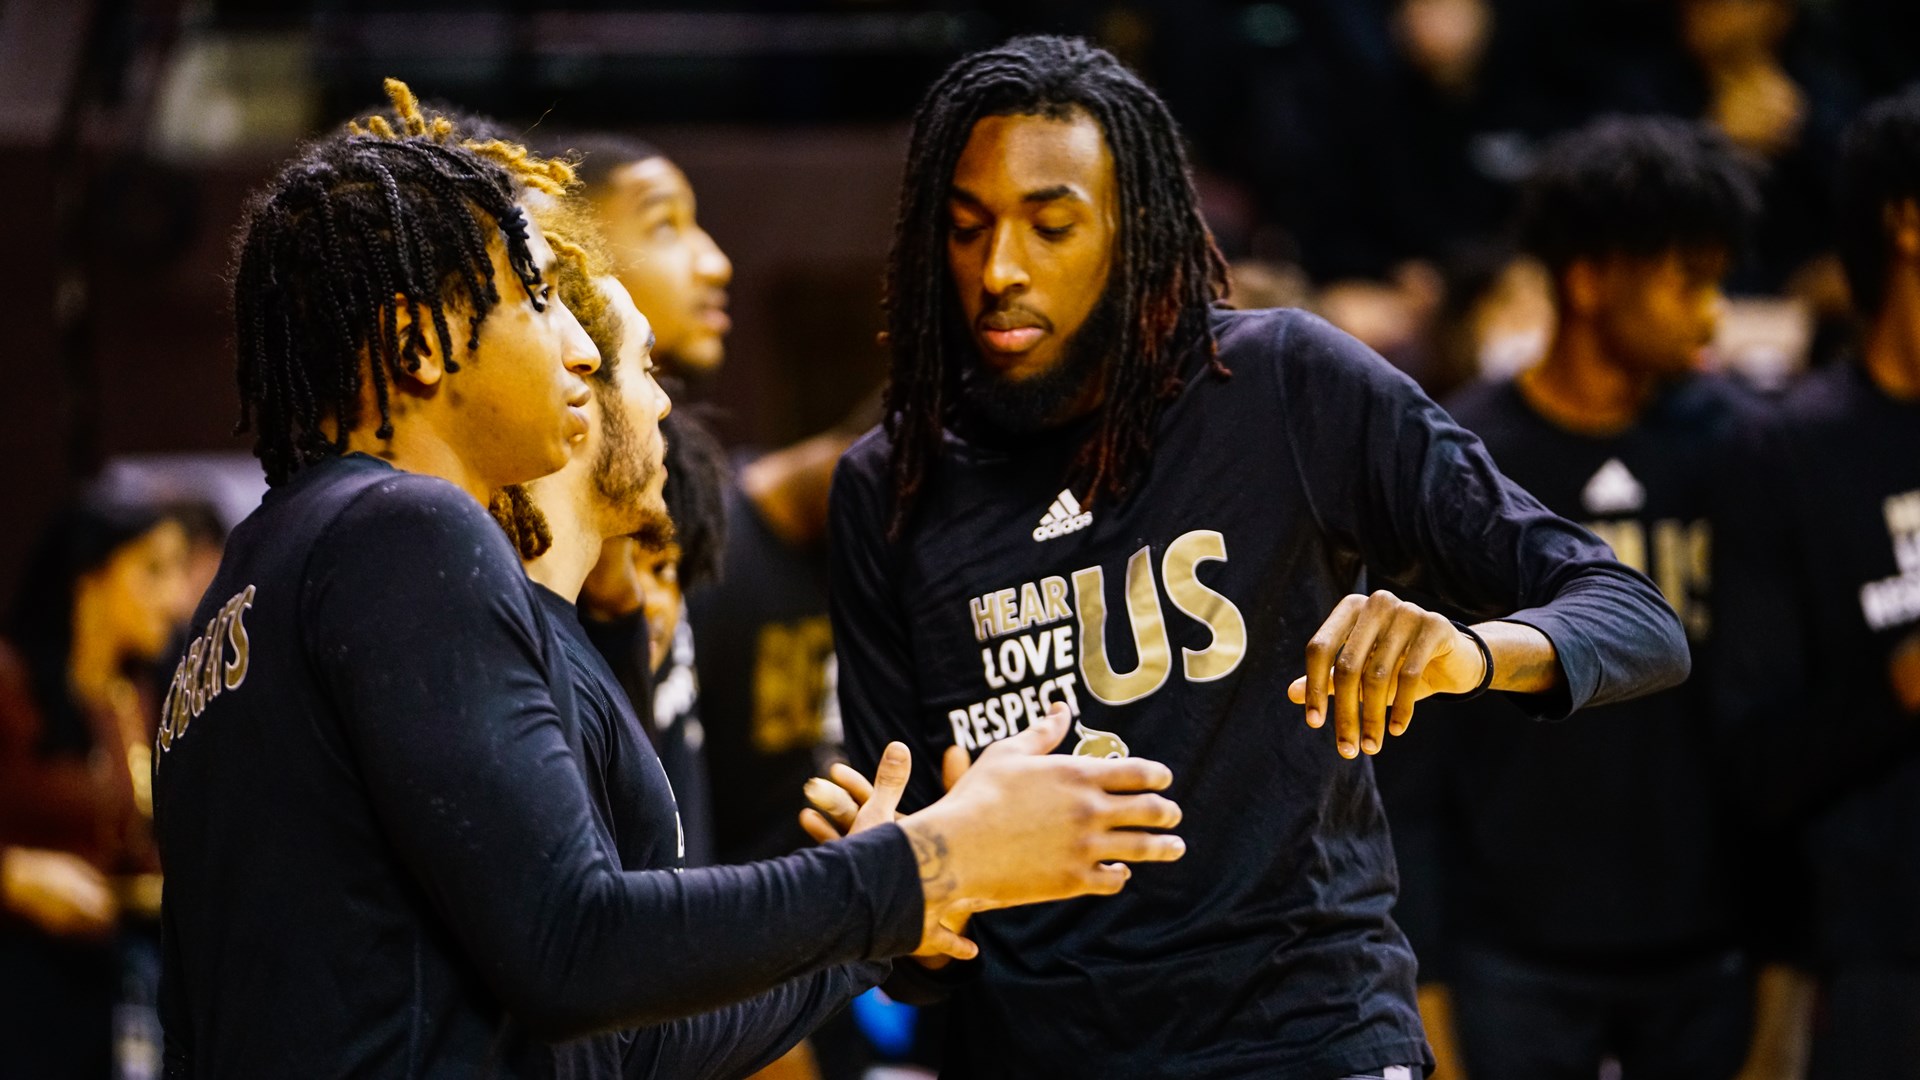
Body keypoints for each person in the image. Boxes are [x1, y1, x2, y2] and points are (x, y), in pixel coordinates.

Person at [152, 82, 1185, 1077]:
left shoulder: (243, 594)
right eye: (539, 295)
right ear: (421, 345)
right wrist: (927, 863)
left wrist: (882, 923)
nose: (575, 350)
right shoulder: (402, 528)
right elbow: (577, 943)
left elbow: (619, 1040)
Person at [830, 36, 1689, 1079]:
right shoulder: (892, 486)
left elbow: (1634, 617)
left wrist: (1468, 651)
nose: (1000, 269)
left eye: (1051, 226)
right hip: (1035, 1051)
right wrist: (896, 903)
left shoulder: (1284, 384)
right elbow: (925, 959)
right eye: (966, 230)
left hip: (1303, 1037)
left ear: (1133, 231)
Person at [1406, 115, 1763, 1079]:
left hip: (1708, 943)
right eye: (1688, 280)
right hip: (1510, 953)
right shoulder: (1464, 462)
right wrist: (1429, 983)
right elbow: (1417, 764)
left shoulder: (1740, 449)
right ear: (1593, 278)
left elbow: (1768, 720)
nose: (1712, 315)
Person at [1716, 85, 1920, 1079]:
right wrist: (1900, 683)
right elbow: (1754, 763)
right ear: (1906, 217)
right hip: (1872, 958)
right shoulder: (1786, 453)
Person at [0, 491, 189, 1077]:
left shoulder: (138, 694)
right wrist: (13, 877)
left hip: (109, 981)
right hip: (19, 979)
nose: (176, 597)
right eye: (153, 570)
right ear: (91, 575)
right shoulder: (11, 684)